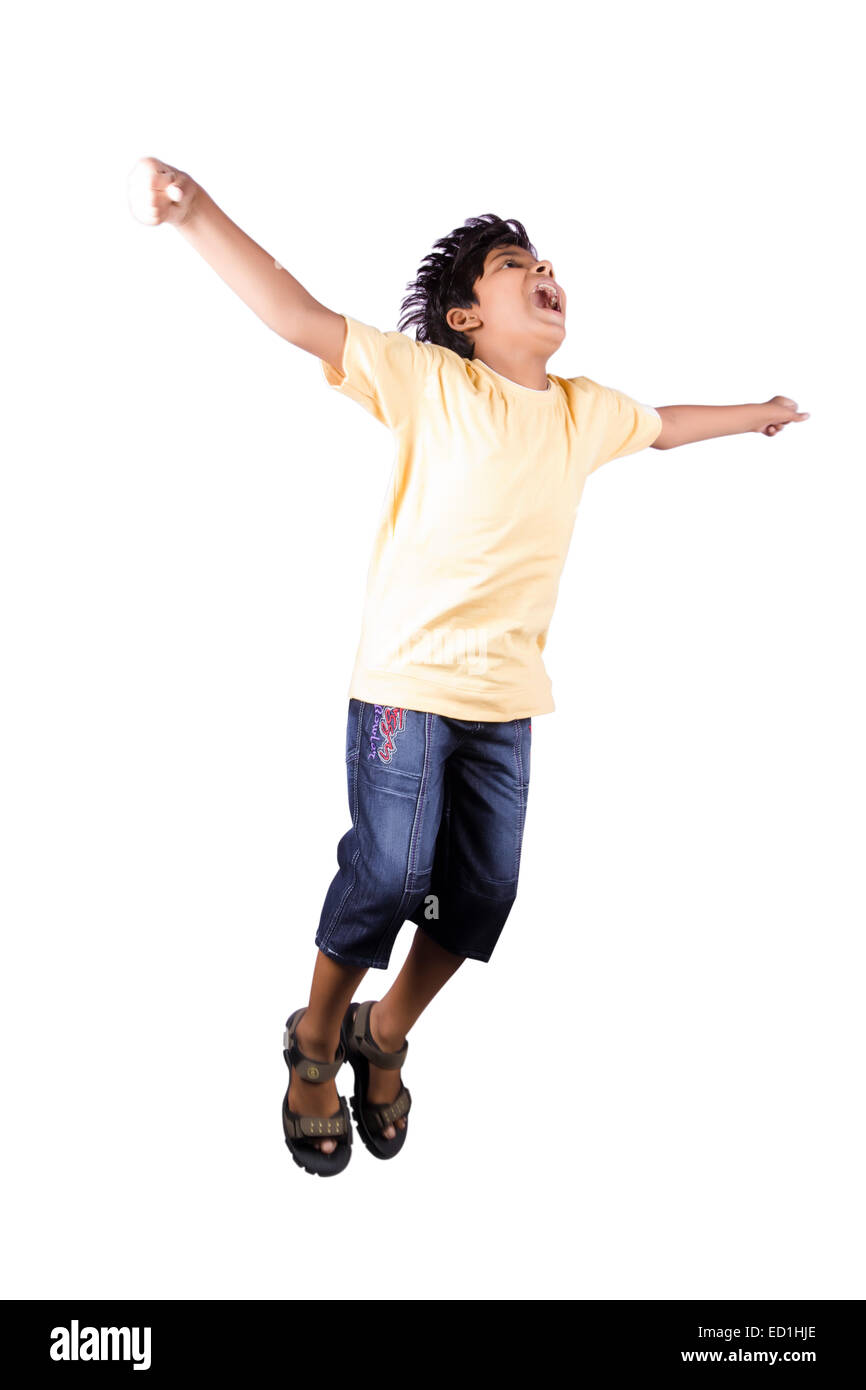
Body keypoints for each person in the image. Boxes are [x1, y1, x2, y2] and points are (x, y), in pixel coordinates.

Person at [128, 156, 811, 1177]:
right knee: (392, 870)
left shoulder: (584, 414)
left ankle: (384, 1031)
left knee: (481, 895)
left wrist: (756, 411)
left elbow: (664, 429)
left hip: (504, 701)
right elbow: (295, 312)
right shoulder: (428, 382)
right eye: (512, 263)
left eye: (547, 263)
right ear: (461, 319)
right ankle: (314, 1038)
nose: (544, 272)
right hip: (405, 681)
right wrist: (196, 213)